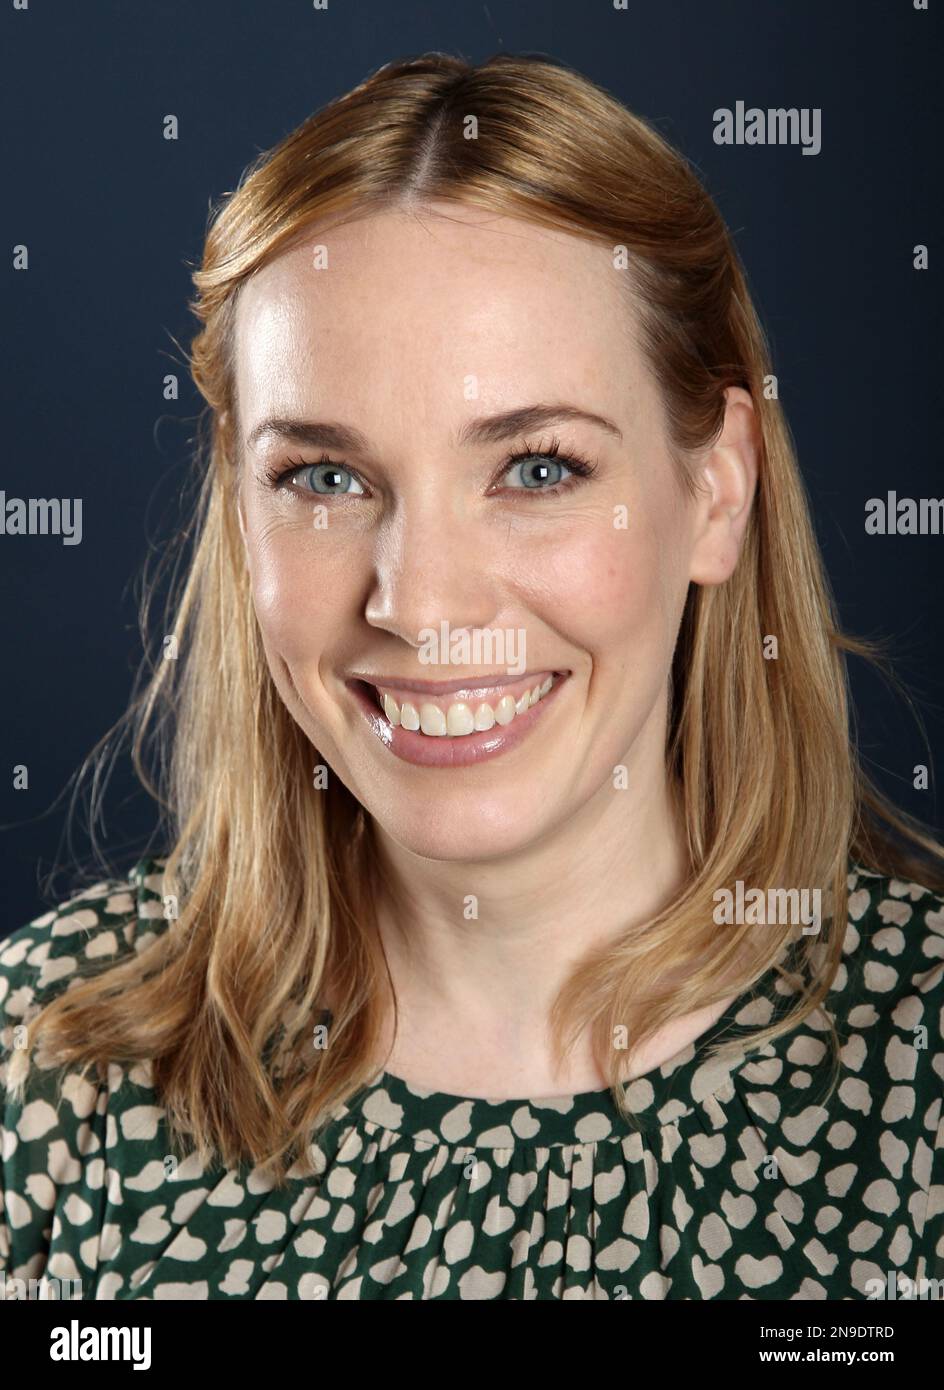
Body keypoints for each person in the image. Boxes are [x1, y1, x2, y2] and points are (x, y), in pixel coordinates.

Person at [1, 52, 942, 1302]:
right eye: (324, 478)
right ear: (238, 512)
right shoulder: (41, 1074)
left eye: (537, 468)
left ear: (714, 491)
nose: (422, 605)